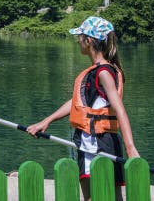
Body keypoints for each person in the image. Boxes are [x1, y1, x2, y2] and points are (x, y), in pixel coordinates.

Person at [26, 16, 139, 201]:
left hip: (99, 141)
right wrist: (45, 121)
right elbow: (77, 103)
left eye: (80, 37)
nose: (77, 40)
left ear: (88, 41)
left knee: (109, 196)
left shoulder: (103, 72)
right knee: (91, 197)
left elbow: (120, 110)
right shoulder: (96, 70)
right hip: (88, 140)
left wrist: (130, 147)